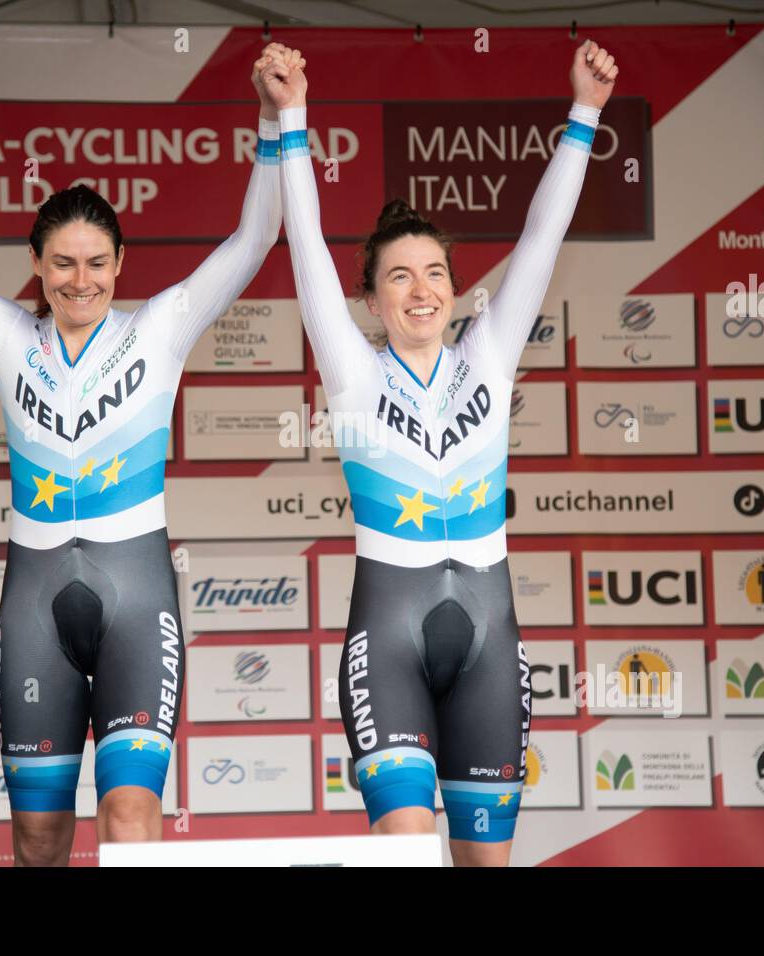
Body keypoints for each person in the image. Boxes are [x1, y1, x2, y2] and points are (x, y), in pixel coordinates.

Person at [0, 39, 302, 865]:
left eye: (96, 263)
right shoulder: (9, 336)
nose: (80, 280)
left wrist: (271, 116)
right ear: (37, 268)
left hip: (136, 593)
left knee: (129, 818)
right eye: (61, 264)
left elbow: (255, 240)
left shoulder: (161, 325)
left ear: (121, 264)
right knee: (38, 839)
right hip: (34, 596)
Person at [267, 40, 617, 866]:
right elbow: (307, 246)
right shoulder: (352, 371)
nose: (421, 290)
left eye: (434, 273)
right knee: (407, 847)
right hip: (386, 637)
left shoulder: (488, 360)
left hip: (492, 640)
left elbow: (542, 237)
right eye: (398, 276)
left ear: (456, 290)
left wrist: (585, 113)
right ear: (370, 296)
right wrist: (292, 118)